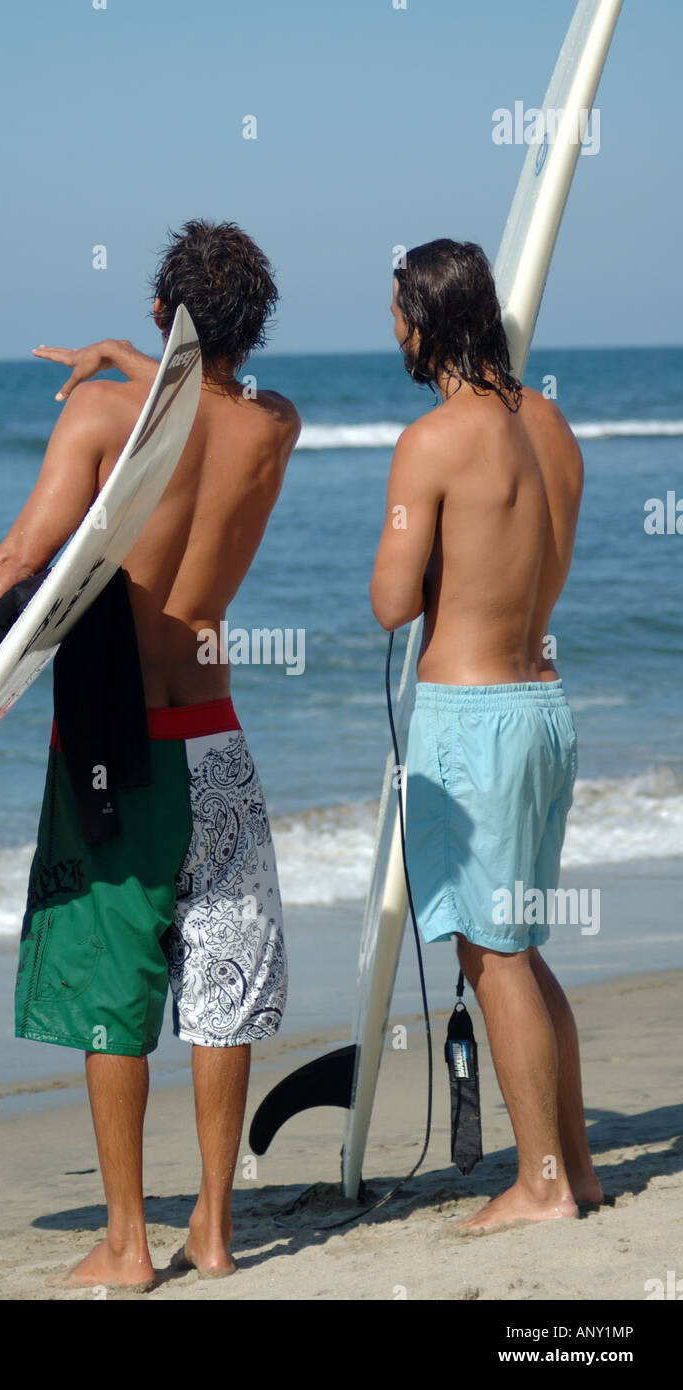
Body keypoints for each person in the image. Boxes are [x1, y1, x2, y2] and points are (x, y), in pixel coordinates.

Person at [0, 220, 300, 1287]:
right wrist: (134, 354)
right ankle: (213, 1229)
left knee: (113, 991)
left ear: (162, 315)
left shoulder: (100, 417)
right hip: (219, 744)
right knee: (221, 983)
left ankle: (126, 1245)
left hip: (118, 757)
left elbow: (20, 562)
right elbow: (209, 393)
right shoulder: (274, 430)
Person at [370, 238, 601, 1234]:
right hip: (543, 707)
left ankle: (541, 1182)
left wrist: (424, 561)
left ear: (429, 321)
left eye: (398, 318)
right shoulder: (553, 426)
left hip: (470, 723)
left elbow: (389, 601)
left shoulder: (433, 440)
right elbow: (532, 569)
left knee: (491, 954)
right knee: (520, 948)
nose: (394, 336)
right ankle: (577, 1169)